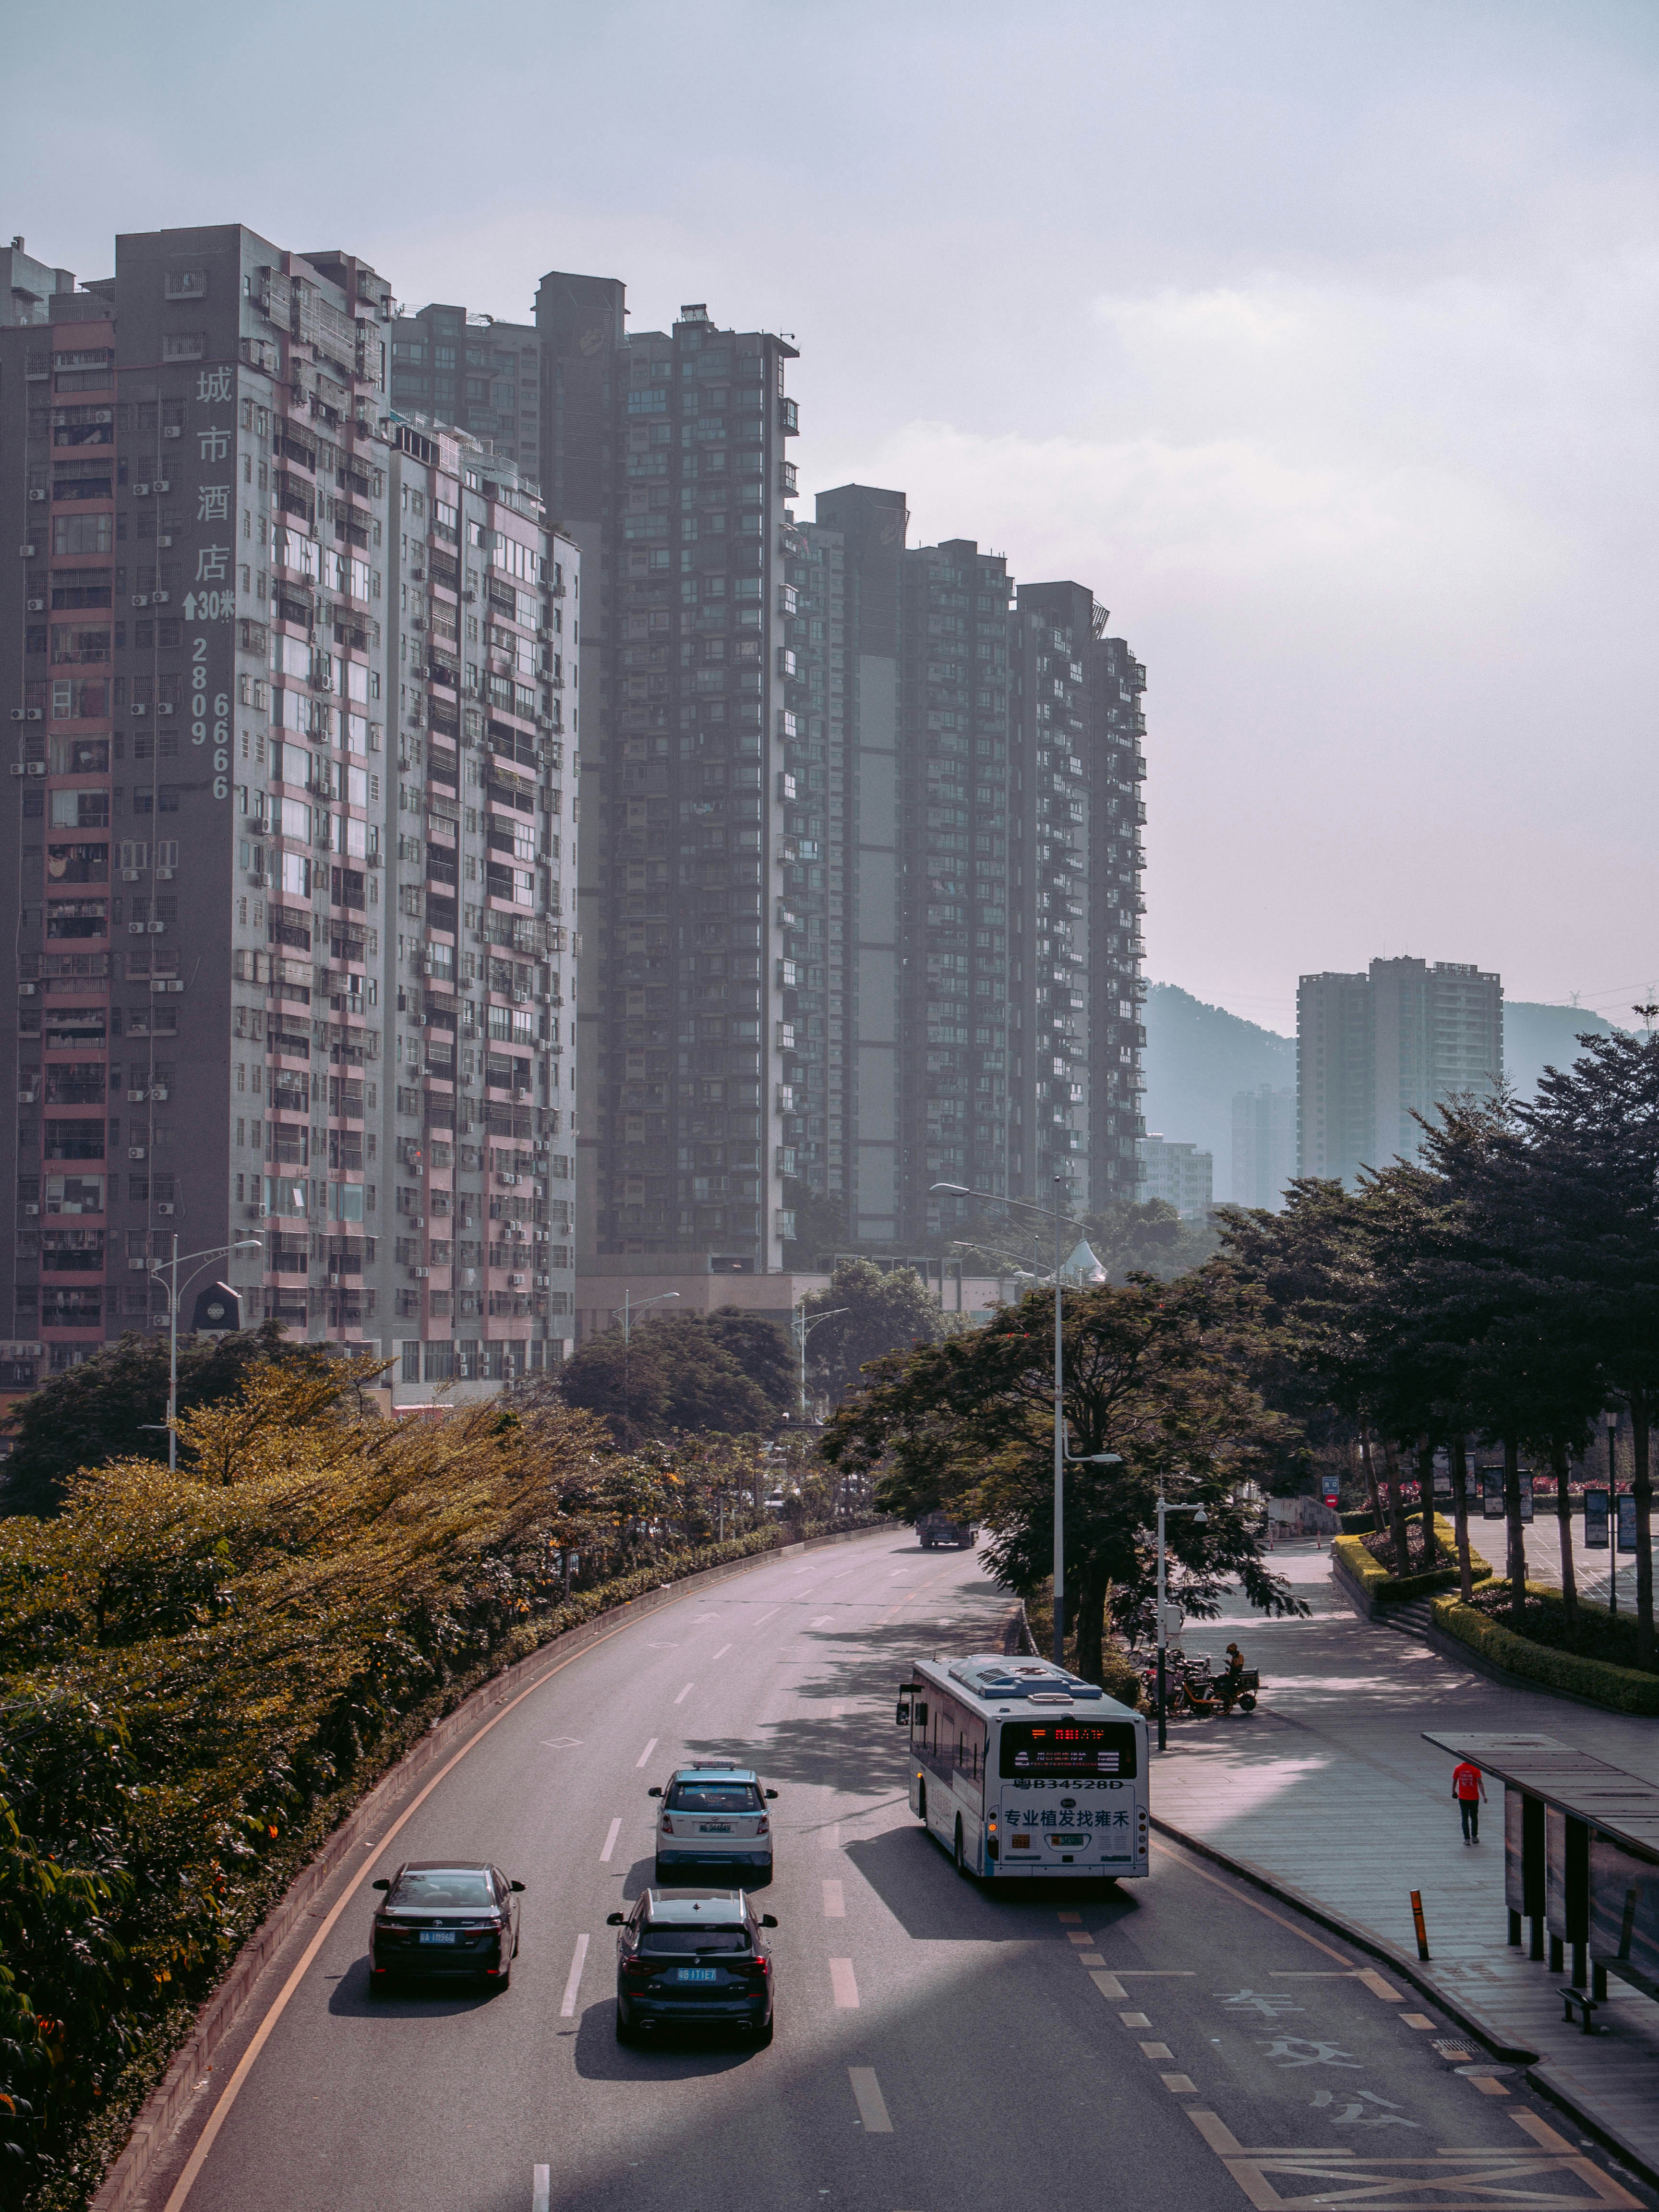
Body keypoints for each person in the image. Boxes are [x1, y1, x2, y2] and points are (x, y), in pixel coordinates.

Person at [1452, 1757, 1488, 1843]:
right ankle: (1474, 1837)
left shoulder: (1458, 1769)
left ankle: (1467, 1839)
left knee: (1465, 1818)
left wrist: (1454, 1792)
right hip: (1474, 1798)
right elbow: (1480, 1783)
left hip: (1463, 1798)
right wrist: (1484, 1796)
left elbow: (1455, 1782)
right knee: (1474, 1817)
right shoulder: (1476, 1769)